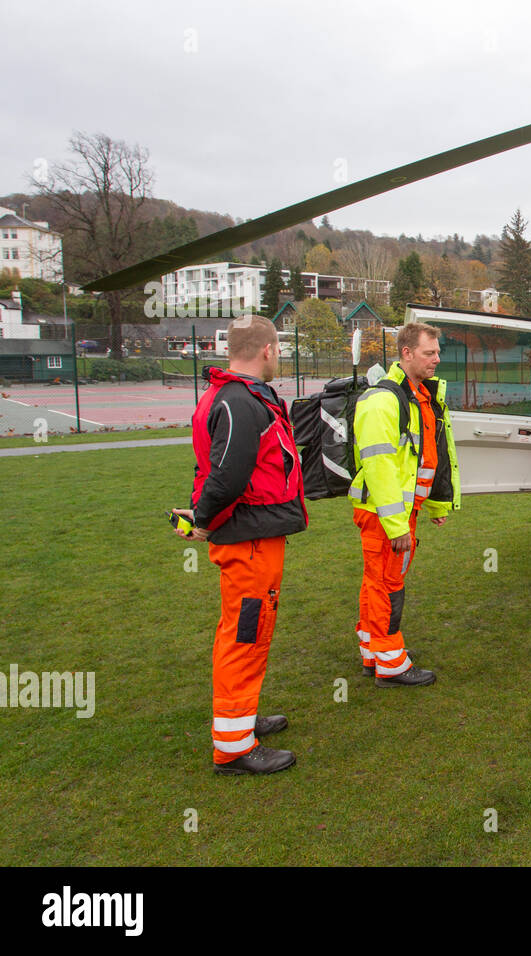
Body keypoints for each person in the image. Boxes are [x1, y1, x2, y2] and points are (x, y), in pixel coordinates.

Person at [172, 314, 307, 776]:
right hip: (249, 540)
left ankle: (241, 721)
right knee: (244, 635)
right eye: (280, 350)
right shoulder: (240, 401)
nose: (280, 357)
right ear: (268, 350)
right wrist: (205, 520)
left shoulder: (227, 396)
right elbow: (227, 477)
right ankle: (233, 747)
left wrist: (201, 515)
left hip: (253, 536)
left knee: (246, 631)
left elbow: (211, 469)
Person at [349, 322, 457, 687]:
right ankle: (391, 664)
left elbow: (427, 458)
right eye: (430, 353)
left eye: (438, 352)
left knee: (376, 582)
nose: (437, 360)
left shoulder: (419, 396)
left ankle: (372, 651)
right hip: (385, 515)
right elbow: (380, 467)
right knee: (387, 585)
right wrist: (396, 527)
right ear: (406, 353)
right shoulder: (385, 400)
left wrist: (436, 506)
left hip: (397, 512)